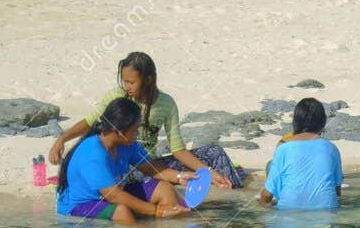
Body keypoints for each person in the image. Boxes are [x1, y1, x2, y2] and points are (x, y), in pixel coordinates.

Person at [49, 52, 243, 189]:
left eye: (131, 82)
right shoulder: (116, 97)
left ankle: (231, 190)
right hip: (127, 167)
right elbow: (90, 122)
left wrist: (208, 171)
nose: (126, 86)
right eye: (124, 81)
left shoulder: (166, 104)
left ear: (148, 80)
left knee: (214, 152)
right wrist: (61, 140)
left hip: (150, 164)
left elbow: (178, 150)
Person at [55, 97, 194, 225]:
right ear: (119, 131)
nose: (137, 134)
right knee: (122, 212)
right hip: (80, 205)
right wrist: (157, 210)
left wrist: (179, 176)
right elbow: (114, 196)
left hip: (113, 194)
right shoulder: (92, 154)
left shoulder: (128, 144)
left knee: (165, 189)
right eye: (135, 130)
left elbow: (151, 168)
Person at [259, 98, 343, 210]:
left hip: (289, 212)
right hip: (327, 210)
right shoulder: (331, 148)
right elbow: (337, 191)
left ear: (295, 121)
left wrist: (262, 204)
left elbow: (267, 195)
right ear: (323, 122)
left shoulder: (283, 148)